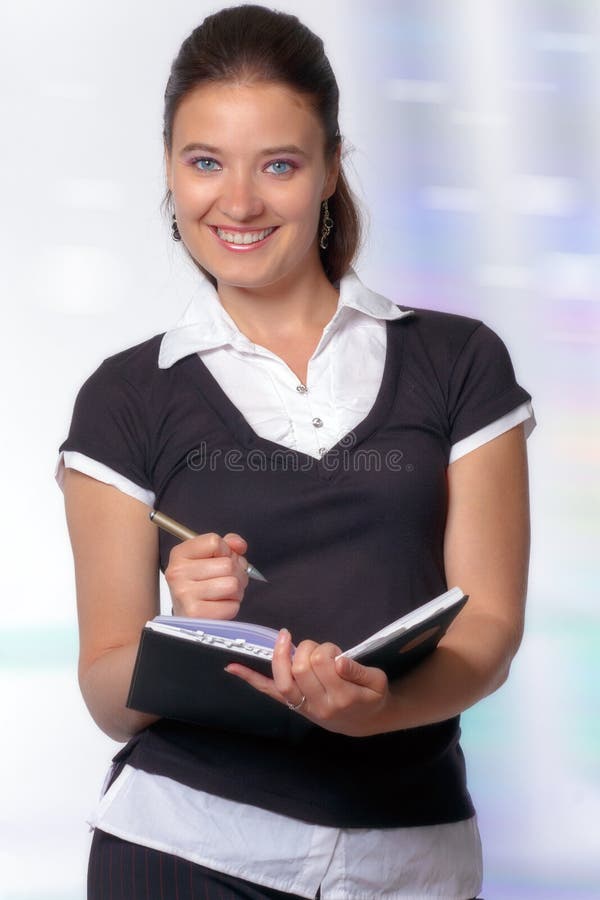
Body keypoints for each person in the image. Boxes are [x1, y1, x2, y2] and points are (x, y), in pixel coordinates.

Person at [55, 5, 536, 898]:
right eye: (205, 162)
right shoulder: (126, 397)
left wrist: (380, 709)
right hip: (187, 851)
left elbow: (490, 631)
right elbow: (111, 699)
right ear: (170, 167)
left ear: (328, 171)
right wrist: (175, 622)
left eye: (277, 164)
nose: (237, 203)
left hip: (412, 864)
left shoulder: (459, 361)